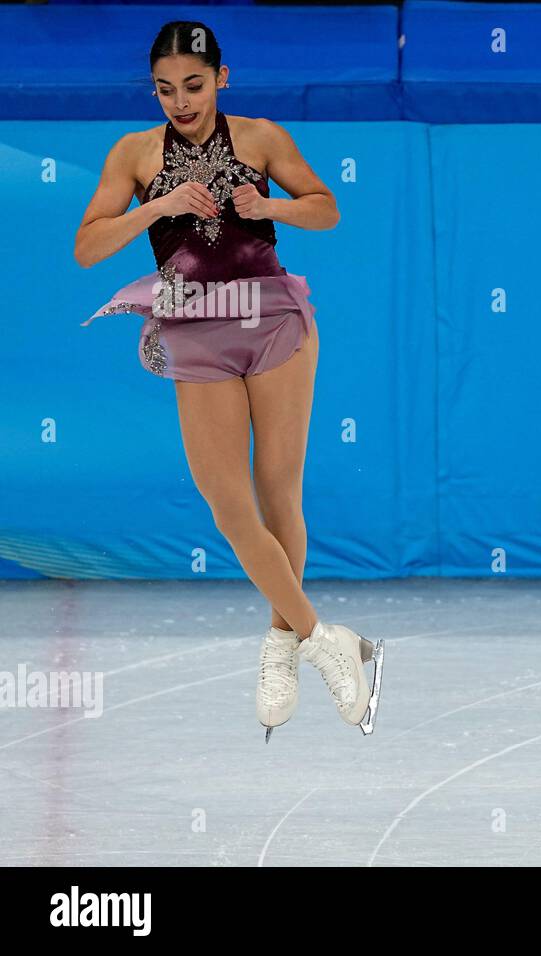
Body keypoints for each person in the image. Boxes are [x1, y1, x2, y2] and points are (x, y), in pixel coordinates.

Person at [73, 20, 384, 741]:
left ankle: (282, 644)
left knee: (280, 492)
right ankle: (321, 638)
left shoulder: (261, 138)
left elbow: (327, 207)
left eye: (193, 84)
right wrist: (158, 205)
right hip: (192, 325)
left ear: (222, 79)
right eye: (164, 88)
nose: (179, 101)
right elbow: (89, 247)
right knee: (226, 503)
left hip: (273, 318)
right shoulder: (136, 153)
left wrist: (270, 206)